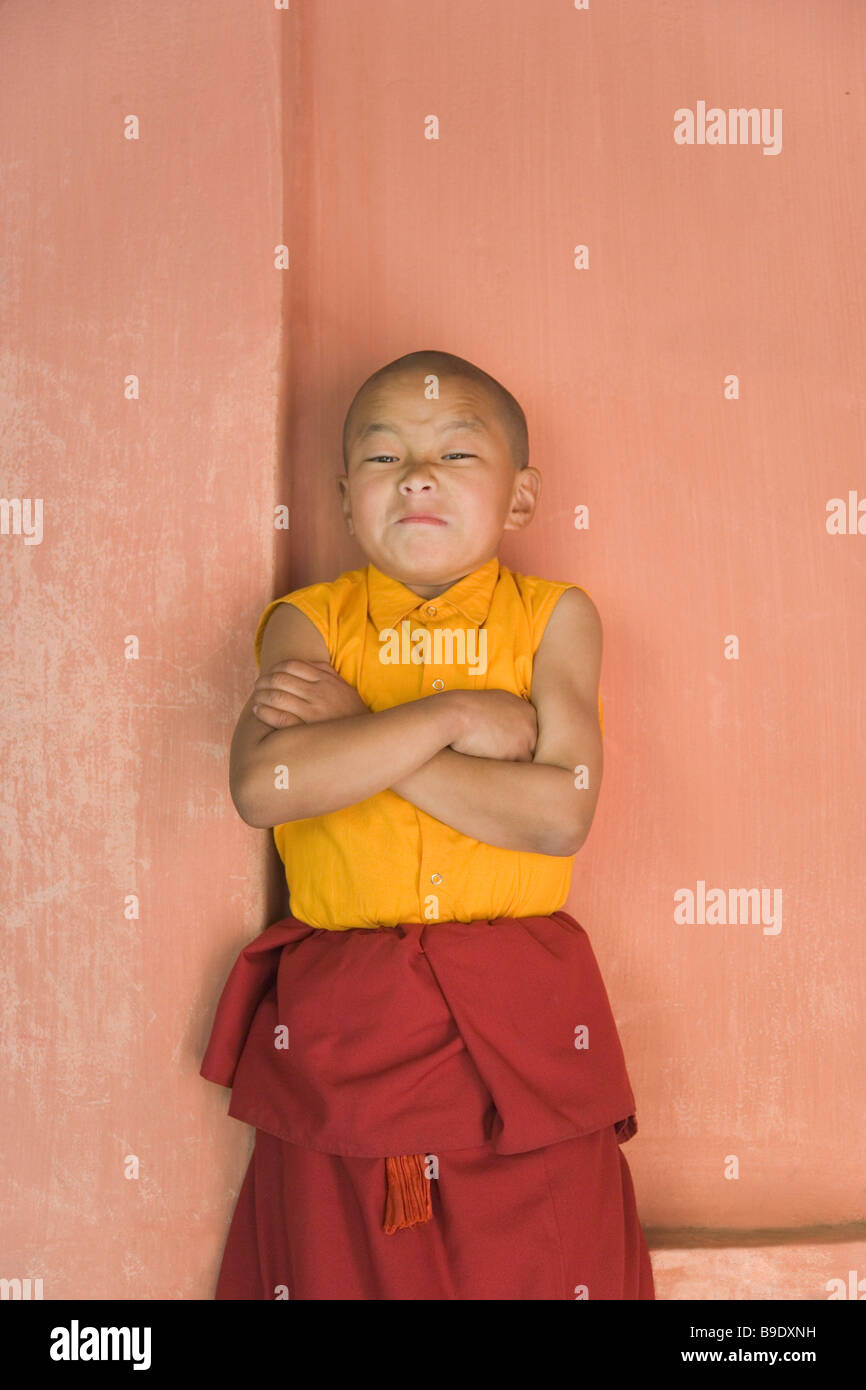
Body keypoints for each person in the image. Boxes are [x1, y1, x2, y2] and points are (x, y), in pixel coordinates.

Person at [200, 348, 655, 1300]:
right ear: (342, 494)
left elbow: (558, 813)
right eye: (382, 458)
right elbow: (266, 785)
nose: (415, 476)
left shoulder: (554, 619)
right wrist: (451, 719)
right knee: (345, 1266)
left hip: (521, 1021)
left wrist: (358, 740)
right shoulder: (307, 624)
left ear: (520, 500)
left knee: (541, 1262)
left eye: (455, 455)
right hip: (346, 1027)